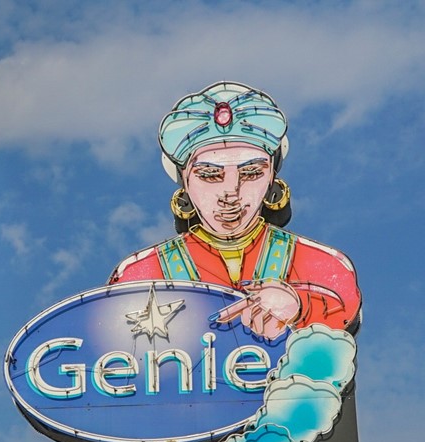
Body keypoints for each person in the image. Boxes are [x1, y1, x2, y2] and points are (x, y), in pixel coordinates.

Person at [108, 82, 361, 341]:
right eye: (209, 175)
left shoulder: (322, 266)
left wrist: (299, 306)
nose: (232, 192)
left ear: (272, 177)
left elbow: (341, 306)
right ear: (184, 181)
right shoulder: (141, 275)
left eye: (251, 173)